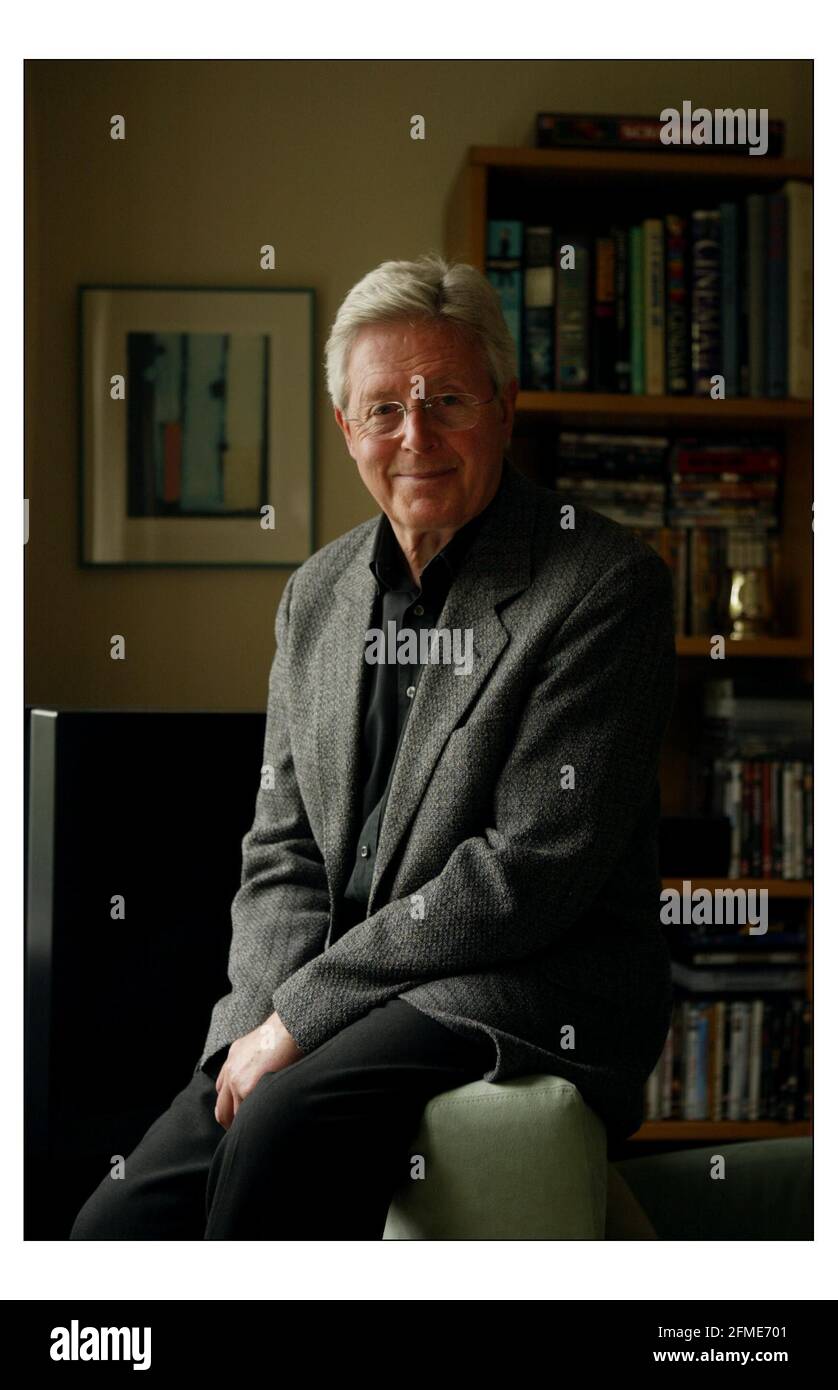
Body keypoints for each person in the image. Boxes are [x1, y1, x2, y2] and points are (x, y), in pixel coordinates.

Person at [70, 253, 675, 1241]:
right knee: (113, 1222)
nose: (416, 436)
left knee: (283, 1128)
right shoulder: (315, 594)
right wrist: (252, 1026)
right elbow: (282, 853)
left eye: (447, 400)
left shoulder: (604, 587)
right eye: (384, 408)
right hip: (336, 990)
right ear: (347, 427)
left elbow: (524, 874)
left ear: (505, 407)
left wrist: (301, 1017)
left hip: (516, 983)